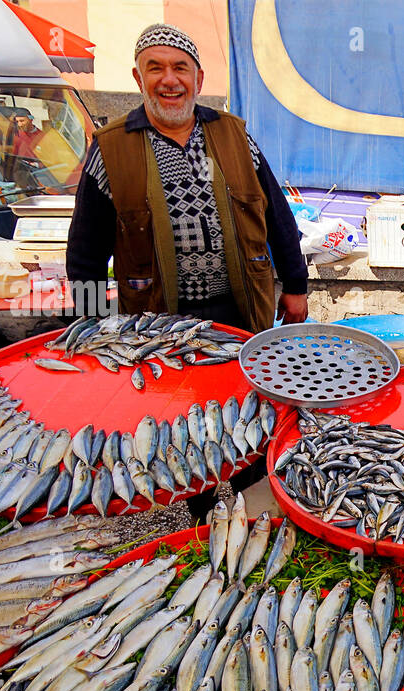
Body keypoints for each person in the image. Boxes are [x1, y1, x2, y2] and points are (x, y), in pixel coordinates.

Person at [66, 23, 310, 519]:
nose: (169, 79)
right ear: (138, 77)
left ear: (198, 77)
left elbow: (277, 214)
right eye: (155, 68)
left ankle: (251, 504)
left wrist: (297, 286)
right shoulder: (111, 149)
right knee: (182, 421)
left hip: (241, 310)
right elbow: (85, 250)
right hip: (162, 322)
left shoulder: (233, 134)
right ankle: (199, 510)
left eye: (180, 67)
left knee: (251, 408)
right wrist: (89, 326)